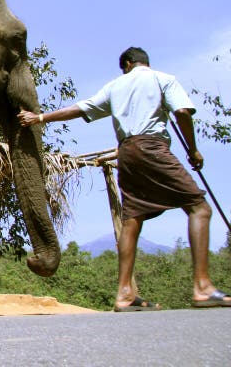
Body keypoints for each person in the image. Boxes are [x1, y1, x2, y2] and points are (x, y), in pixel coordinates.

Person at [18, 46, 231, 311]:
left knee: (132, 219)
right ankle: (202, 287)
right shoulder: (163, 79)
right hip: (152, 146)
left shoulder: (115, 86)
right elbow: (183, 112)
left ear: (127, 64)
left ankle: (124, 294)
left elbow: (81, 108)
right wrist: (193, 150)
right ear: (143, 62)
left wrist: (39, 117)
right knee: (199, 208)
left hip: (126, 152)